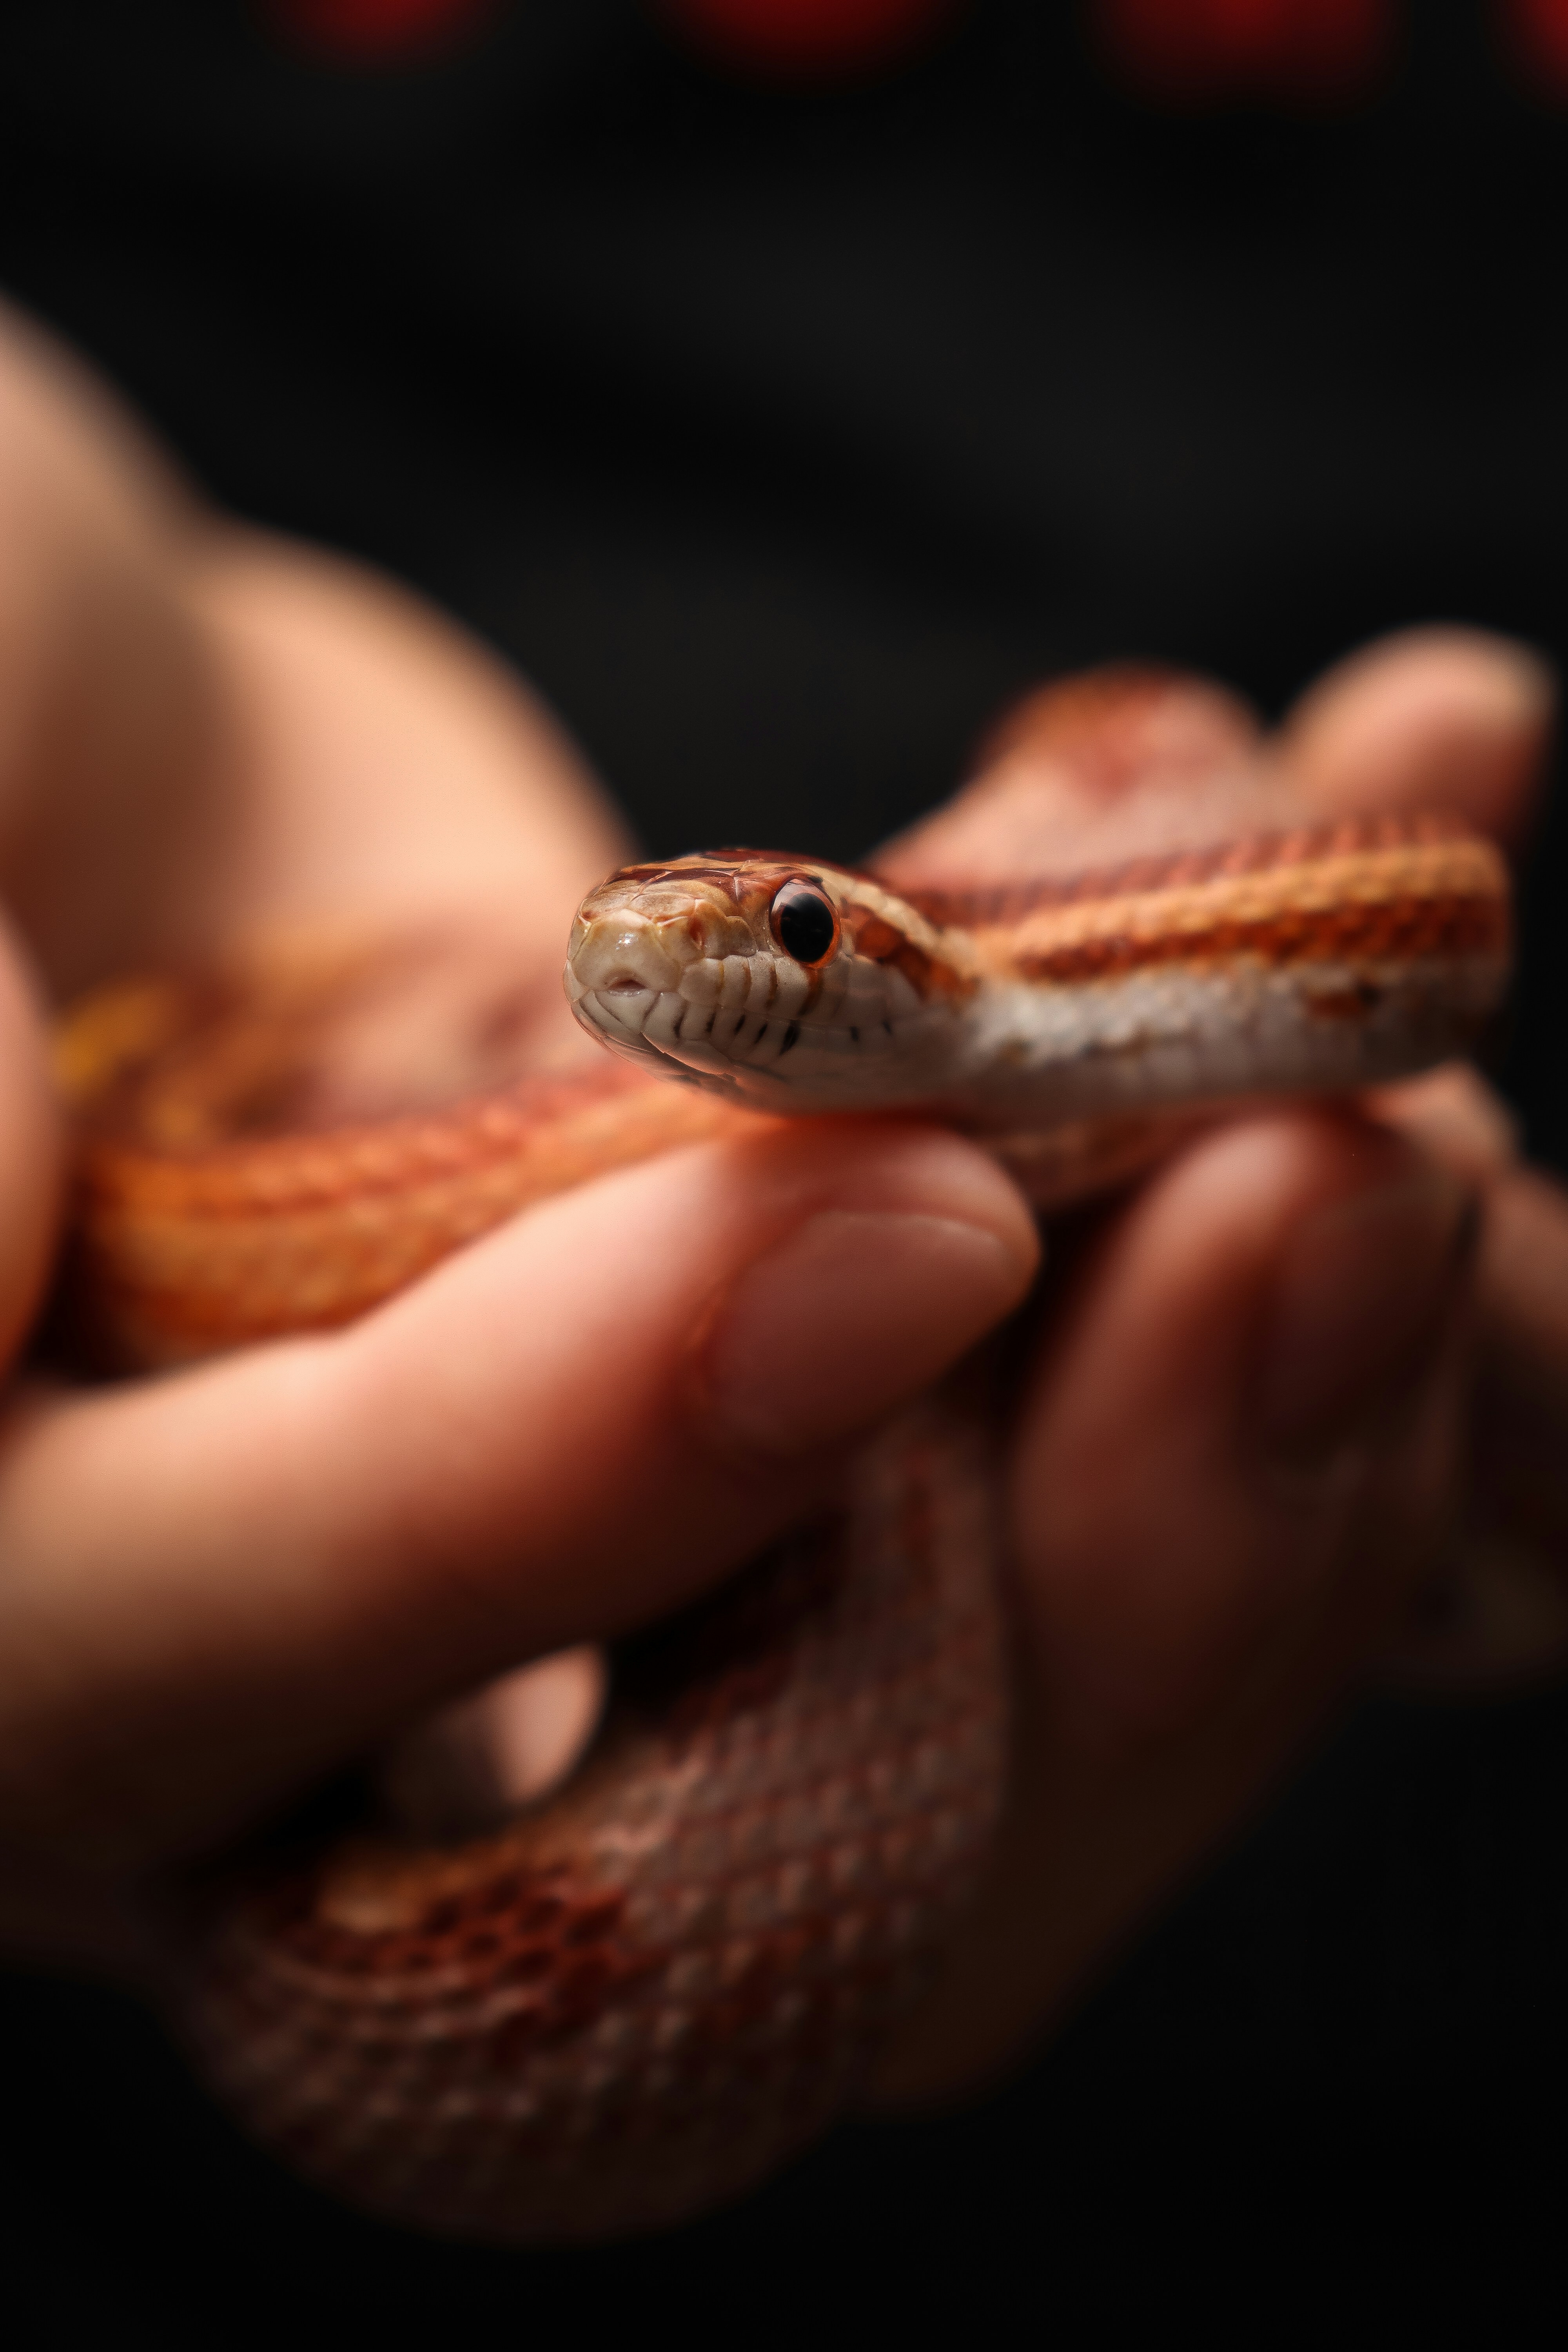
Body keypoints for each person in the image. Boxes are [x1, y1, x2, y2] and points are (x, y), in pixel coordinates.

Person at [1, 0, 1565, 2333]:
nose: (684, 962)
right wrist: (164, 678)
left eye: (794, 935)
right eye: (643, 951)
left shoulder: (1112, 943)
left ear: (903, 945)